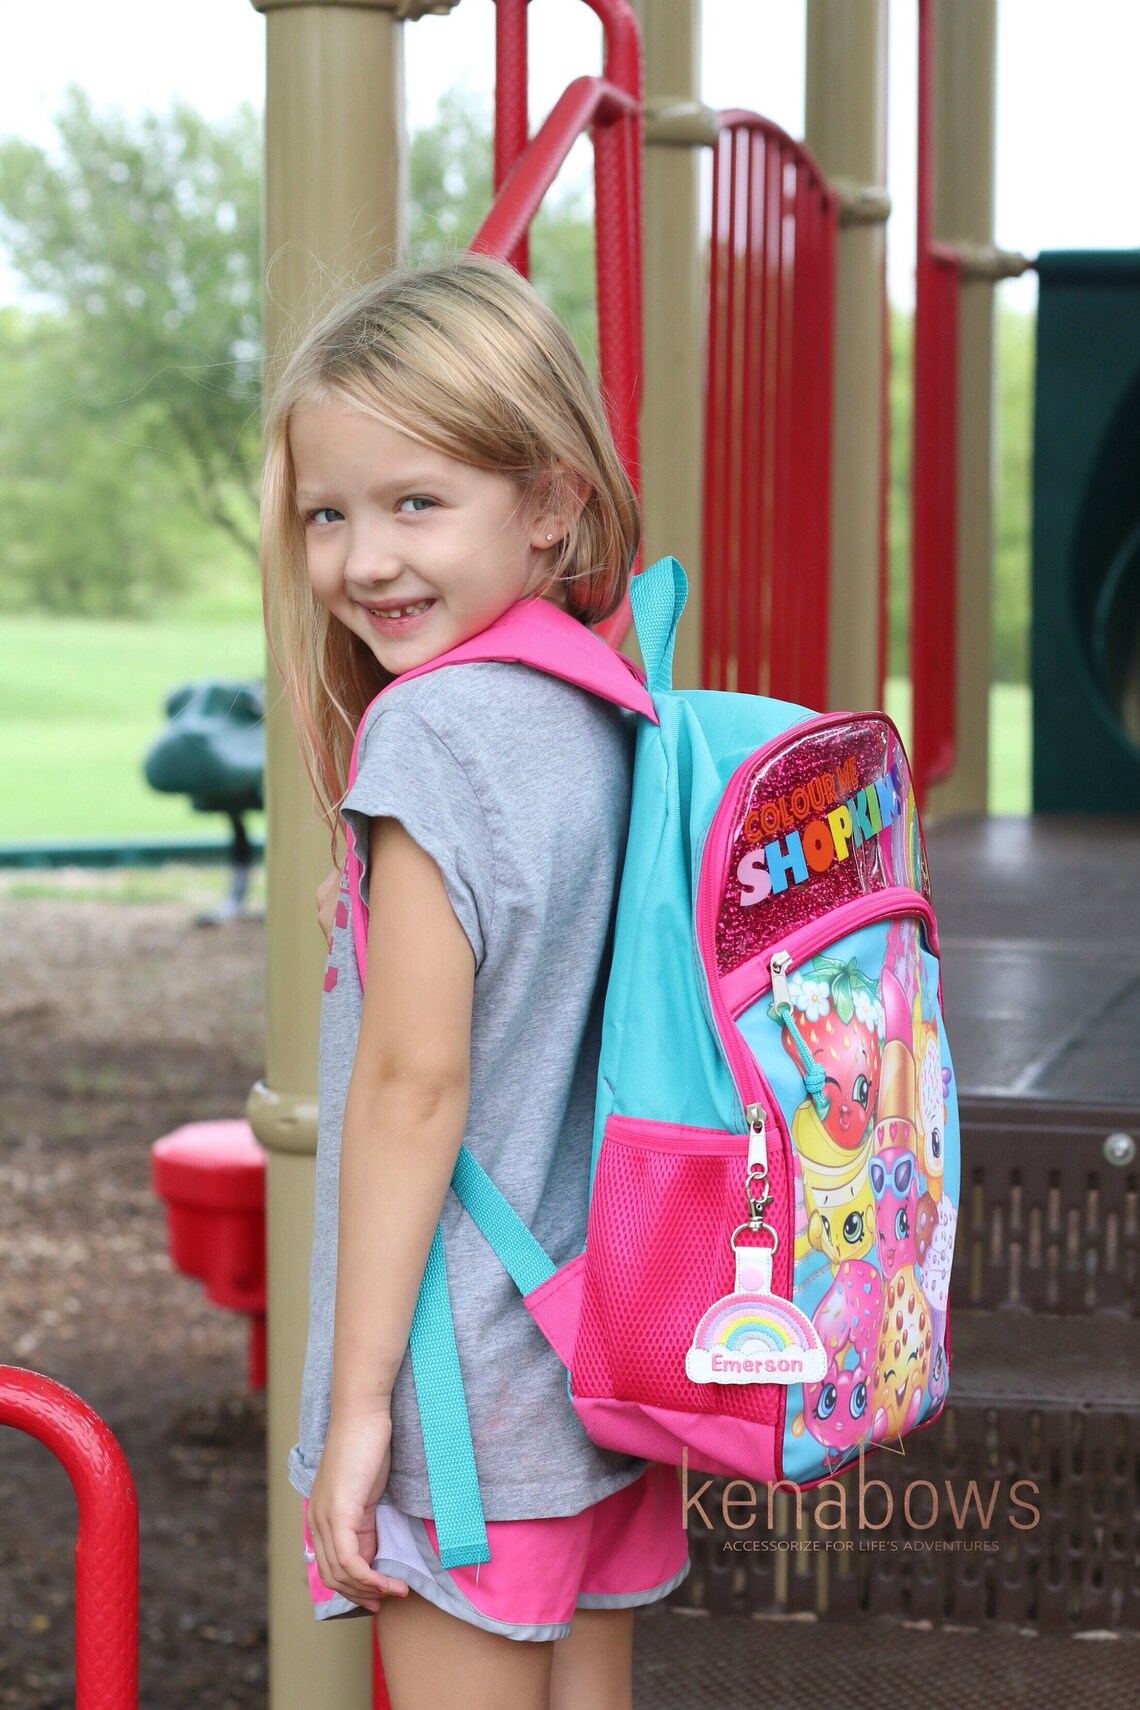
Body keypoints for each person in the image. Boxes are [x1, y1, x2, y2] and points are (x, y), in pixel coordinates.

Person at [260, 256, 688, 1710]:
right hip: (610, 1352)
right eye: (331, 514)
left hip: (468, 1385)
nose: (366, 558)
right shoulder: (616, 709)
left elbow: (413, 1082)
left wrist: (360, 1406)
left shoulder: (431, 736)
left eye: (416, 503)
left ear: (553, 502)